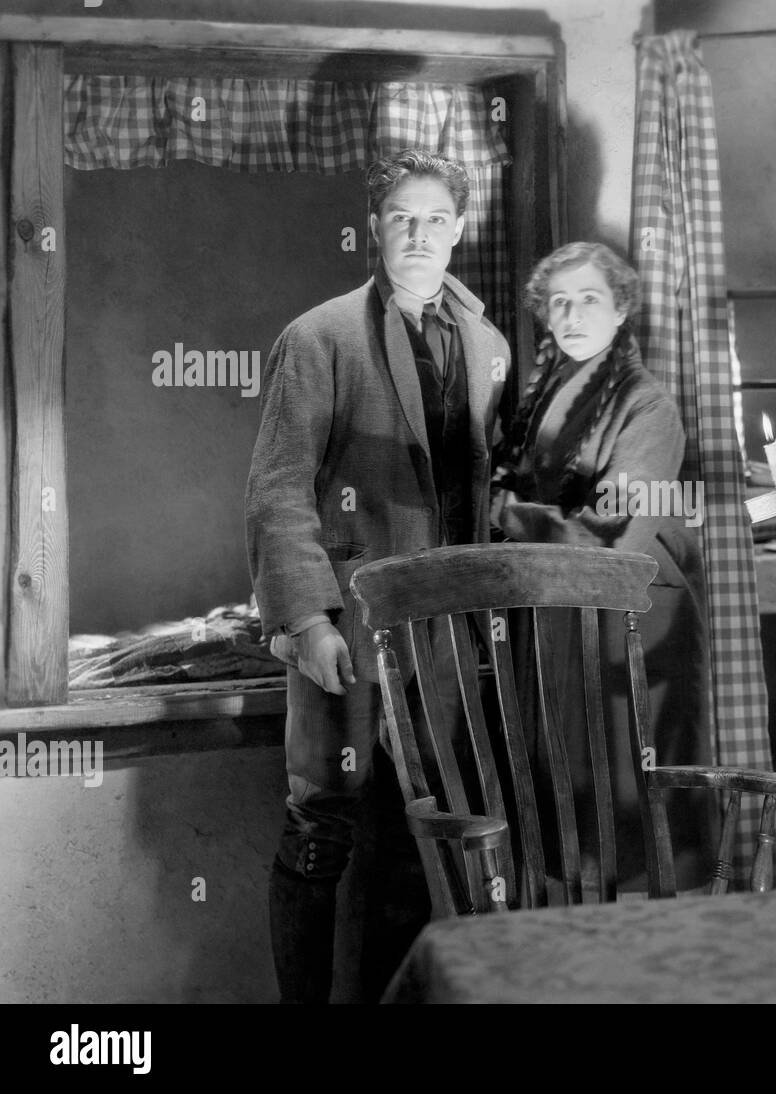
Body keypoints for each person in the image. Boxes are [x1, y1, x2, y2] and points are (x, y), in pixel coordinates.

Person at [246, 148, 512, 1001]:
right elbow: (279, 489)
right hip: (352, 625)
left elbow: (480, 492)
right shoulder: (321, 336)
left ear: (460, 230)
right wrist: (308, 622)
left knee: (426, 829)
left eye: (437, 219)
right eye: (403, 218)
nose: (420, 234)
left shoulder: (487, 343)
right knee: (321, 824)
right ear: (374, 230)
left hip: (452, 634)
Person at [492, 241, 713, 890]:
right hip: (568, 619)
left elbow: (617, 527)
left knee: (642, 820)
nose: (572, 313)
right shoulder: (545, 401)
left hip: (638, 623)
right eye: (559, 302)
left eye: (589, 298)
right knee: (578, 822)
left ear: (621, 311)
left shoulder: (647, 405)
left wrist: (514, 517)